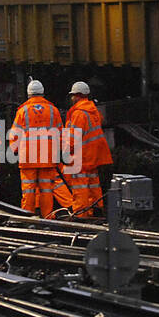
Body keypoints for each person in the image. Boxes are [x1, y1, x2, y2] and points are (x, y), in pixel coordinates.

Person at [10, 80, 63, 218]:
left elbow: (15, 134)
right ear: (43, 93)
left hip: (28, 158)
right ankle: (47, 219)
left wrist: (14, 150)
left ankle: (27, 219)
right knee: (46, 190)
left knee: (28, 190)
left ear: (28, 95)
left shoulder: (23, 111)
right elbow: (60, 133)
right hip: (48, 157)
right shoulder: (53, 110)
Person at [64, 81, 113, 217]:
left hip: (81, 157)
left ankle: (81, 215)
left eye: (73, 95)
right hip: (93, 156)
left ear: (78, 96)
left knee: (80, 187)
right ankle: (97, 210)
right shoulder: (93, 111)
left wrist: (65, 152)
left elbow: (74, 137)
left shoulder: (79, 114)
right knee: (93, 185)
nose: (71, 98)